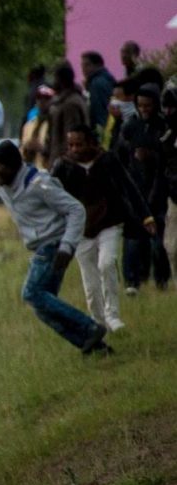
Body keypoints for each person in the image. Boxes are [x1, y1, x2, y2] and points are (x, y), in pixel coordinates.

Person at [0, 141, 111, 354]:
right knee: (43, 308)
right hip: (43, 247)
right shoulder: (4, 186)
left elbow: (76, 209)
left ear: (13, 165)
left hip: (53, 245)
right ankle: (94, 346)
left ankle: (91, 327)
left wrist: (67, 246)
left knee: (31, 293)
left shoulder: (39, 184)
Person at [53, 125, 152, 332]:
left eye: (79, 144)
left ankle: (112, 315)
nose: (75, 149)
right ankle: (98, 322)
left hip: (109, 222)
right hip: (80, 230)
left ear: (91, 142)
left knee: (107, 263)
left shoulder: (107, 161)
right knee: (89, 279)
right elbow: (51, 197)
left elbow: (128, 186)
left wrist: (145, 216)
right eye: (70, 145)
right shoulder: (63, 166)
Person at [117, 84, 171, 293]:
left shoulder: (163, 127)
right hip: (134, 188)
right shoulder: (131, 126)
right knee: (132, 239)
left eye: (148, 105)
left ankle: (161, 279)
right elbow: (120, 154)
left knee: (158, 240)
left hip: (157, 189)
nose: (144, 109)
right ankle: (132, 281)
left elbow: (167, 160)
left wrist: (152, 156)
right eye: (140, 105)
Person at [47, 62, 90, 168]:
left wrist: (63, 163)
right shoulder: (67, 101)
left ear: (60, 80)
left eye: (55, 78)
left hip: (66, 165)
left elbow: (71, 137)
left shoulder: (70, 104)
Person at [80, 52, 117, 133]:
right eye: (82, 65)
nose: (83, 69)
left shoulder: (97, 83)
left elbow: (100, 109)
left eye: (87, 65)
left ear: (98, 65)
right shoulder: (105, 79)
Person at [20, 85, 54, 169]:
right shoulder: (29, 125)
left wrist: (42, 149)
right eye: (39, 98)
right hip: (32, 170)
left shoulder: (55, 123)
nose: (42, 101)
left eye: (46, 98)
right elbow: (22, 151)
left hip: (48, 169)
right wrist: (28, 148)